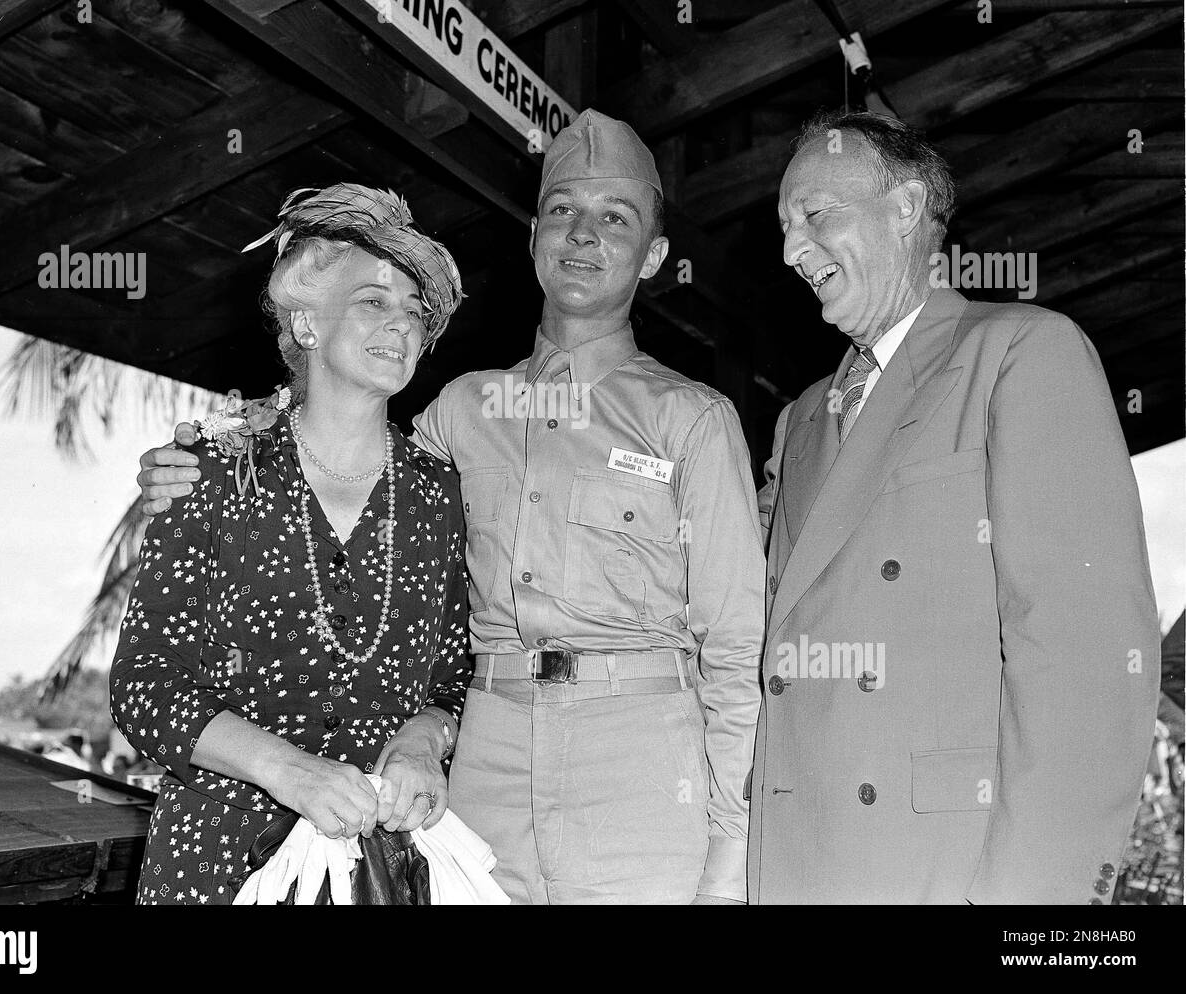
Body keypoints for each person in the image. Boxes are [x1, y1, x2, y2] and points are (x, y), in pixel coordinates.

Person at [136, 111, 765, 905]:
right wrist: (213, 448)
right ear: (535, 233)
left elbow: (739, 656)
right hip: (480, 790)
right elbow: (343, 447)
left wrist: (729, 860)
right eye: (564, 211)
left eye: (616, 219)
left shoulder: (694, 421)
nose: (583, 235)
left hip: (639, 781)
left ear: (655, 257)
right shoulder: (461, 411)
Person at [752, 109, 1161, 904]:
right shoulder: (800, 417)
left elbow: (1082, 652)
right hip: (795, 864)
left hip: (939, 870)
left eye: (815, 215)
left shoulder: (1020, 352)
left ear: (906, 209)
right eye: (783, 226)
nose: (792, 248)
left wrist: (1032, 904)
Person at [111, 184, 472, 904]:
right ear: (306, 323)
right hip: (216, 863)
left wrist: (422, 744)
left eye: (413, 311)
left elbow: (453, 681)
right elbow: (144, 686)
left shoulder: (437, 493)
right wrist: (289, 771)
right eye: (374, 301)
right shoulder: (212, 470)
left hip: (375, 872)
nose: (400, 324)